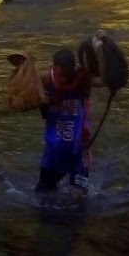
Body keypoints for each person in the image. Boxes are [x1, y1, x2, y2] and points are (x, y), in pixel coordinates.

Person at [36, 48, 93, 198]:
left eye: (69, 71)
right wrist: (42, 98)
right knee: (44, 196)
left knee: (79, 197)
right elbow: (34, 82)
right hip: (54, 150)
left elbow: (104, 80)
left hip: (78, 149)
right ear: (55, 68)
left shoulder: (82, 80)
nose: (65, 77)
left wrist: (98, 46)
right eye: (62, 73)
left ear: (74, 67)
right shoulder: (46, 81)